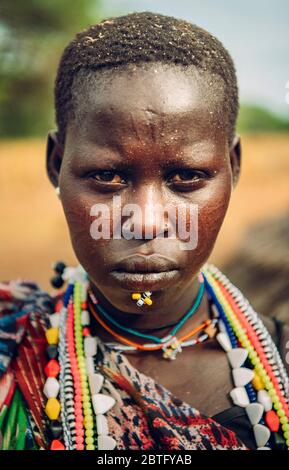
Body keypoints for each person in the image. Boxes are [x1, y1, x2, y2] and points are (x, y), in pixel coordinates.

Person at [1, 11, 289, 451]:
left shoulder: (281, 361)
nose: (148, 221)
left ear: (232, 167)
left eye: (187, 176)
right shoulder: (13, 349)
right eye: (108, 176)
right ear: (57, 165)